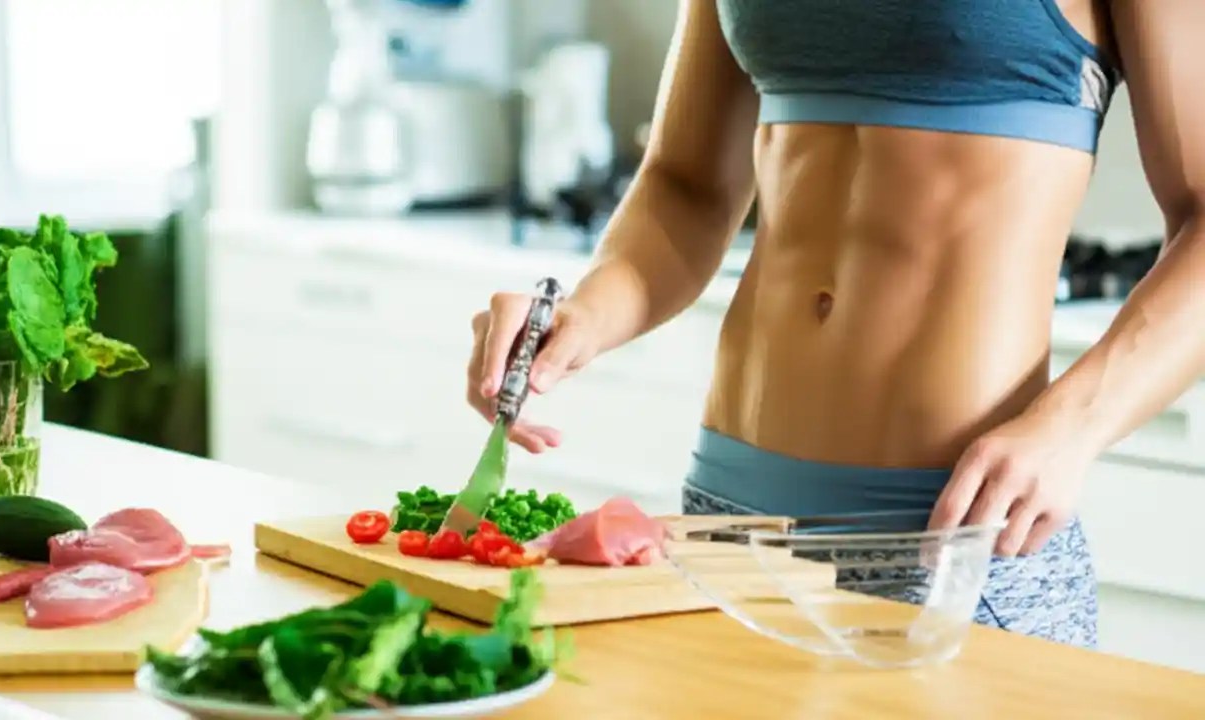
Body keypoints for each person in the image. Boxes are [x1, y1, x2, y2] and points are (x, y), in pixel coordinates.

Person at [465, 0, 1205, 648]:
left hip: (952, 540)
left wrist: (1070, 427)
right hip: (729, 519)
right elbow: (684, 188)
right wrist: (582, 316)